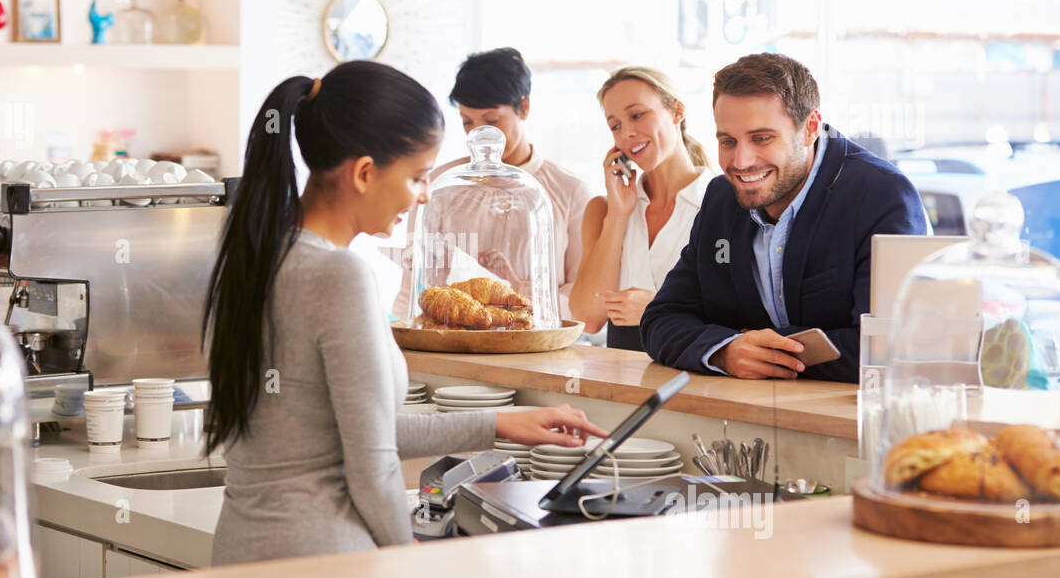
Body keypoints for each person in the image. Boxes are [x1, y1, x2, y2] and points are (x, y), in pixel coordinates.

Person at [204, 61, 607, 566]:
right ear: (365, 173)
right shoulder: (339, 275)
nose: (423, 194)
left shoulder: (254, 256)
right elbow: (371, 461)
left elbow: (353, 428)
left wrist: (502, 422)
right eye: (417, 177)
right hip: (320, 561)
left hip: (241, 551)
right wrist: (405, 562)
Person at [638, 53, 927, 383]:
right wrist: (726, 350)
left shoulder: (882, 196)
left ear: (810, 129)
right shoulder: (721, 197)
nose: (741, 161)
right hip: (752, 416)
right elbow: (661, 319)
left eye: (761, 138)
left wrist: (764, 350)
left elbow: (895, 344)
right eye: (727, 141)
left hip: (851, 422)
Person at [392, 47, 592, 321]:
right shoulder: (439, 187)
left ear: (524, 107)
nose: (479, 132)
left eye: (492, 120)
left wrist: (517, 288)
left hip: (535, 347)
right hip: (453, 345)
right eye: (467, 122)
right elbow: (412, 287)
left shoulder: (569, 191)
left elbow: (581, 300)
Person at [570, 67, 715, 351]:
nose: (628, 133)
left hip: (692, 381)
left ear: (677, 112)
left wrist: (658, 306)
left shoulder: (722, 204)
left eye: (637, 115)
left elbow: (742, 317)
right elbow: (588, 318)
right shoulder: (603, 210)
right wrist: (618, 216)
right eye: (615, 126)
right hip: (616, 387)